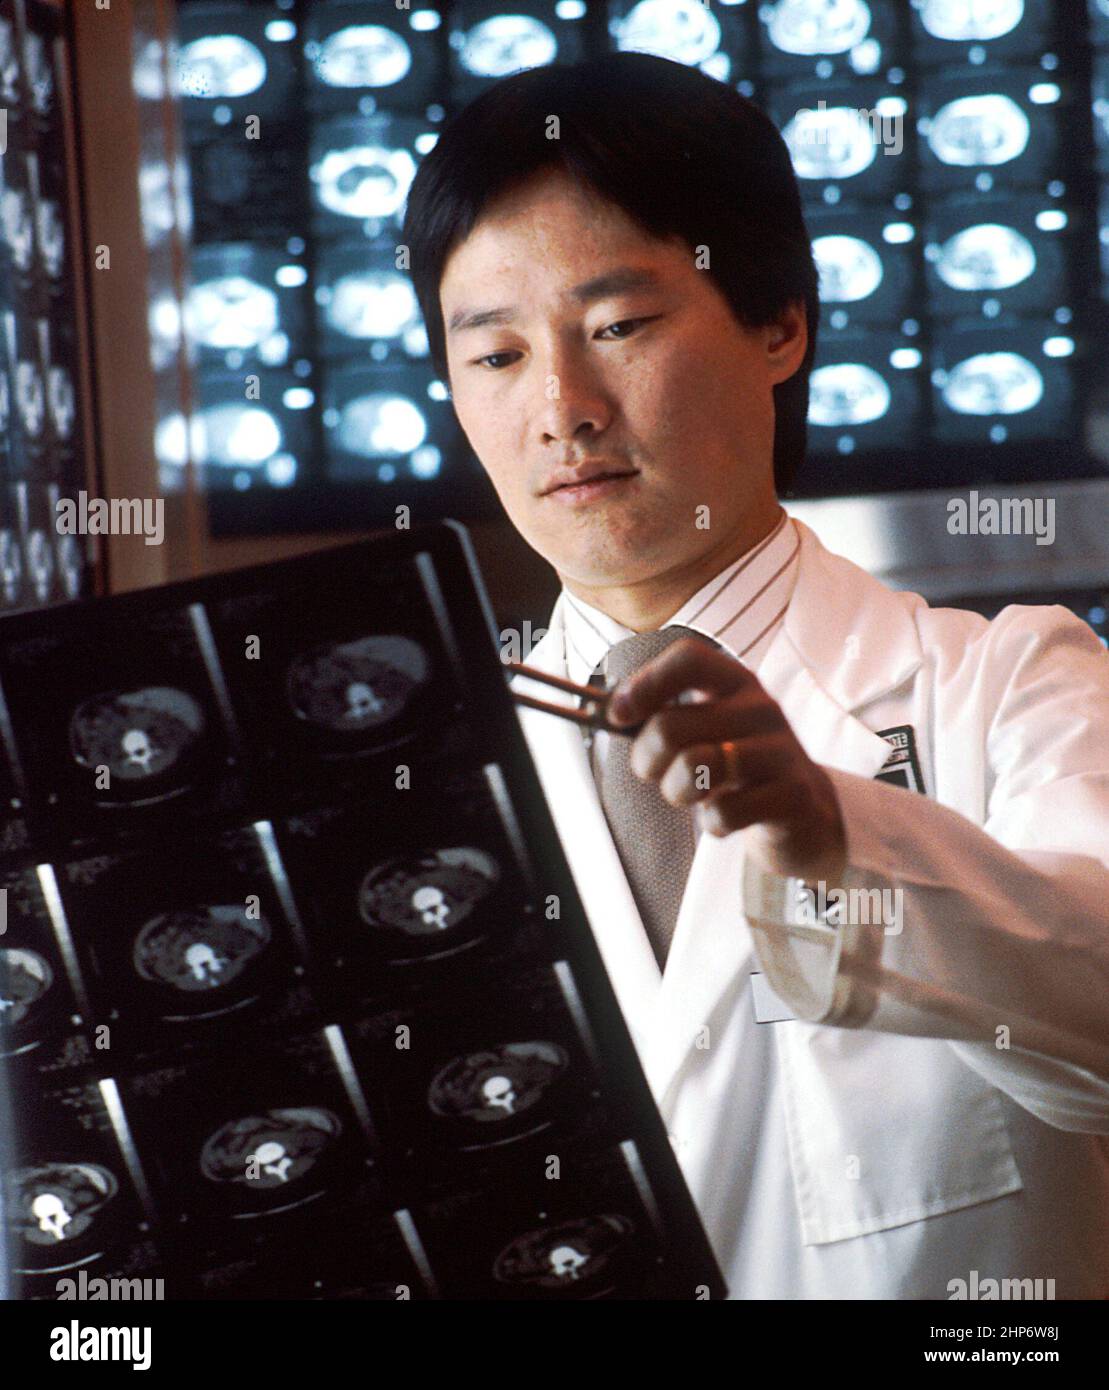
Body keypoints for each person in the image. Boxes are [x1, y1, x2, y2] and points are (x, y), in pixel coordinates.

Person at [401, 51, 1109, 1299]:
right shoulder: (436, 792)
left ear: (778, 322)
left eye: (616, 326)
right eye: (497, 356)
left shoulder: (1007, 688)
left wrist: (826, 828)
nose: (561, 408)